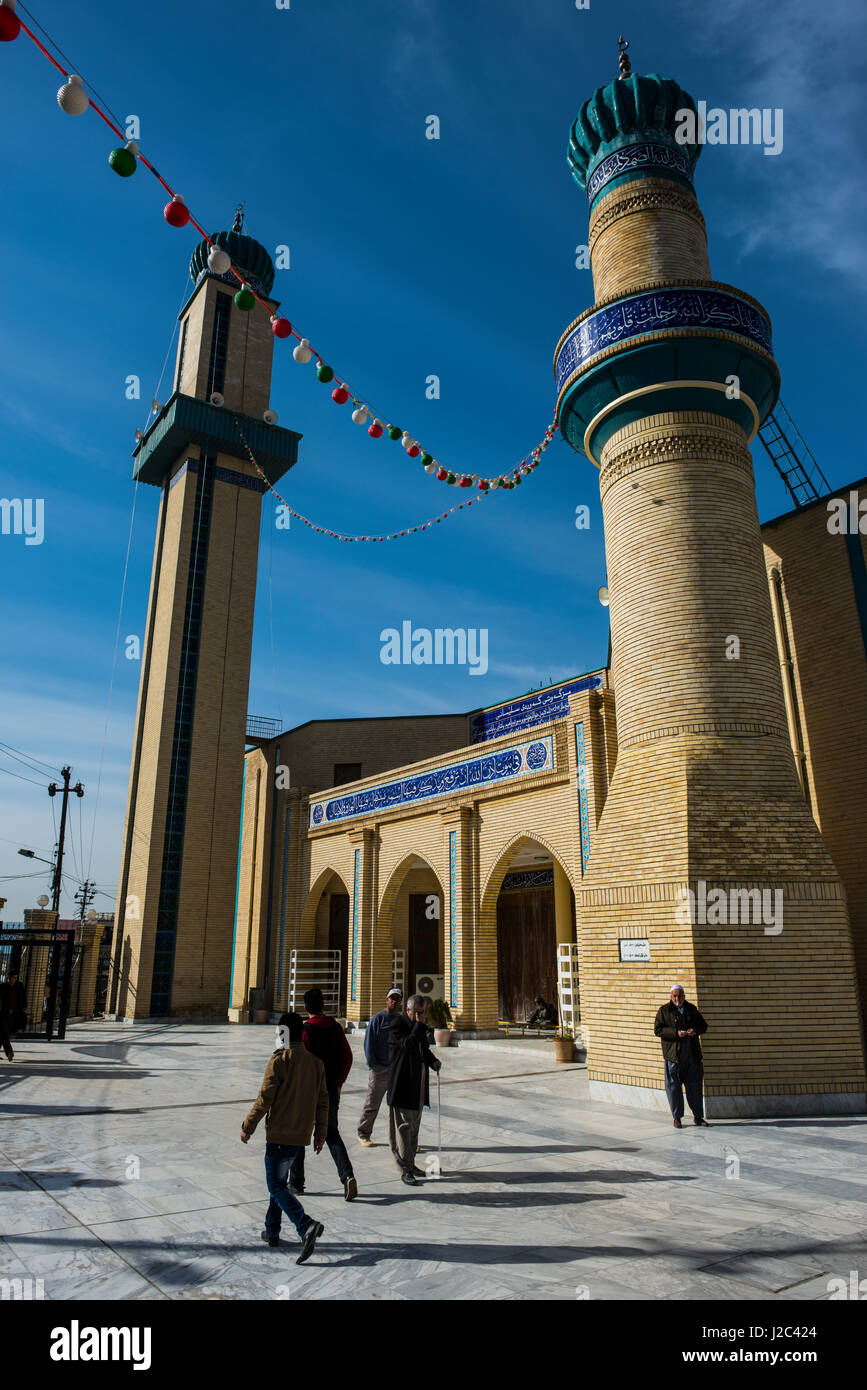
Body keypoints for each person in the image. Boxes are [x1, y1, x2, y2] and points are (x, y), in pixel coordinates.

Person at [241, 1011, 327, 1265]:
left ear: (282, 1033)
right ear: (302, 1032)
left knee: (276, 1185)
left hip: (279, 1135)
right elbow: (324, 1102)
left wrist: (248, 1125)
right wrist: (320, 1133)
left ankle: (305, 1225)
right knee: (278, 1183)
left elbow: (265, 1098)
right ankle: (272, 1230)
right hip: (300, 1137)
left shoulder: (279, 1061)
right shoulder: (316, 1063)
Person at [290, 988, 357, 1200]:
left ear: (304, 1008)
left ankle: (297, 1183)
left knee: (299, 1135)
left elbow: (297, 1063)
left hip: (308, 1093)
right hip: (330, 1091)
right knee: (331, 1132)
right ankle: (347, 1177)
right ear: (324, 1006)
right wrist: (338, 1082)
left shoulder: (304, 1032)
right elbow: (347, 1057)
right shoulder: (336, 1028)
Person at [387, 994, 442, 1185]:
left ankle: (410, 1163)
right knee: (403, 1129)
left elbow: (422, 1049)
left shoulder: (417, 1027)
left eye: (423, 1012)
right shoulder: (397, 1026)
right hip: (402, 1086)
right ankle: (404, 1169)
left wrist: (432, 1060)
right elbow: (408, 1046)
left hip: (417, 1086)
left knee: (414, 1129)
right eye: (418, 1012)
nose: (421, 1016)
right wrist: (419, 1026)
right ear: (408, 1010)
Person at [654, 984, 709, 1128]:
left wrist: (694, 1031)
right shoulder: (664, 1010)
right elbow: (658, 1030)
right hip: (674, 1056)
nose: (677, 998)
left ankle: (698, 1116)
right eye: (674, 996)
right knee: (674, 1088)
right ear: (671, 996)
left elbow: (703, 1026)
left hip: (692, 1056)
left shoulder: (691, 1009)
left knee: (695, 1086)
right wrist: (675, 1033)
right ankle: (677, 1117)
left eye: (679, 995)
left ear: (684, 996)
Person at [357, 986, 403, 1147]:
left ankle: (402, 1139)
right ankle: (363, 1133)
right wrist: (373, 1065)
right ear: (387, 999)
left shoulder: (400, 1020)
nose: (394, 1001)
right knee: (372, 1103)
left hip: (396, 1069)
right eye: (392, 998)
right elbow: (369, 1043)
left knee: (399, 1107)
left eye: (397, 999)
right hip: (380, 1069)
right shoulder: (378, 1019)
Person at [0, 973, 26, 1061]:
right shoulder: (2, 987)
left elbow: (22, 998)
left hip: (12, 1014)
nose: (15, 979)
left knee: (3, 1033)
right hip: (3, 1014)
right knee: (4, 1033)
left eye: (16, 978)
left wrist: (23, 1007)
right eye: (13, 978)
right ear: (8, 978)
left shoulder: (18, 987)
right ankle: (9, 1052)